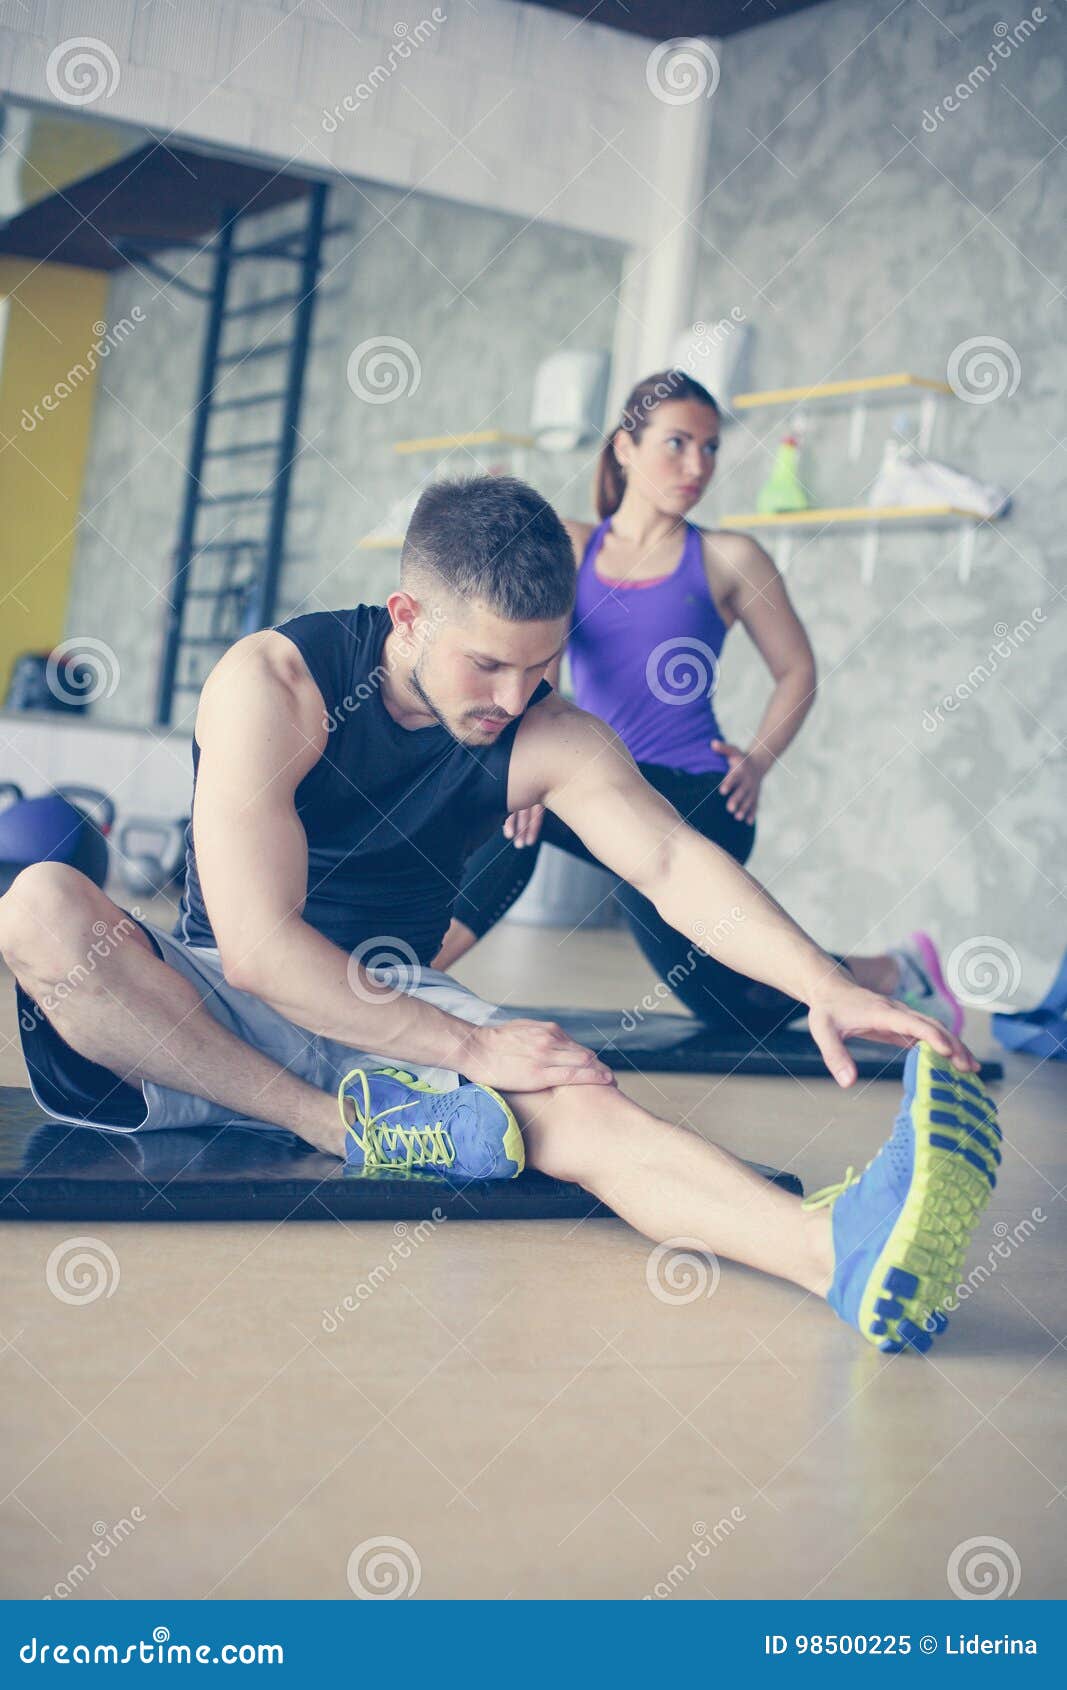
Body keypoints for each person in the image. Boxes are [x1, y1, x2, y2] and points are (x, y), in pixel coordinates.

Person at [0, 476, 998, 1355]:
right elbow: (256, 950)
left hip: (387, 1004)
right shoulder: (275, 685)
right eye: (487, 666)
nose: (514, 698)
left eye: (541, 666)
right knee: (38, 905)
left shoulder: (547, 731)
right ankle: (333, 1126)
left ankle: (836, 1252)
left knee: (580, 1103)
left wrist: (820, 982)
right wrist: (470, 1050)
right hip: (202, 1009)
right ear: (407, 615)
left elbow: (669, 860)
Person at [433, 372, 962, 1041]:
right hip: (600, 790)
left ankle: (395, 985)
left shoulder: (728, 557)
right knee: (733, 1008)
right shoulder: (571, 546)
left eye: (710, 448)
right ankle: (890, 971)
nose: (697, 466)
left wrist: (758, 761)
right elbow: (541, 671)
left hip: (698, 798)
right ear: (625, 447)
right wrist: (533, 761)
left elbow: (796, 670)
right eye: (678, 443)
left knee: (532, 805)